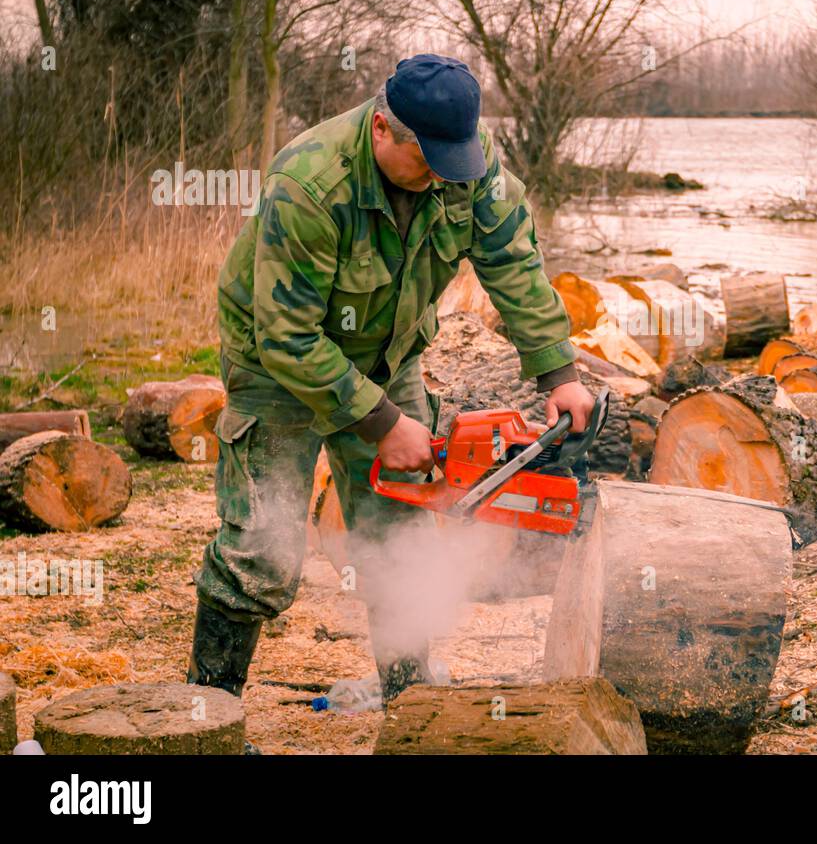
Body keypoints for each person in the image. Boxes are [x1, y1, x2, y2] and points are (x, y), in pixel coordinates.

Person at [190, 53, 593, 708]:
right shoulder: (311, 182)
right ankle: (205, 720)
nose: (441, 172)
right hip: (276, 370)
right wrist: (380, 423)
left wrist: (559, 371)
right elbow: (288, 337)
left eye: (451, 159)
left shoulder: (465, 159)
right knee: (262, 551)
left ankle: (411, 711)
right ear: (382, 128)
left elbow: (512, 261)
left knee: (402, 536)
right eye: (426, 157)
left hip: (390, 355)